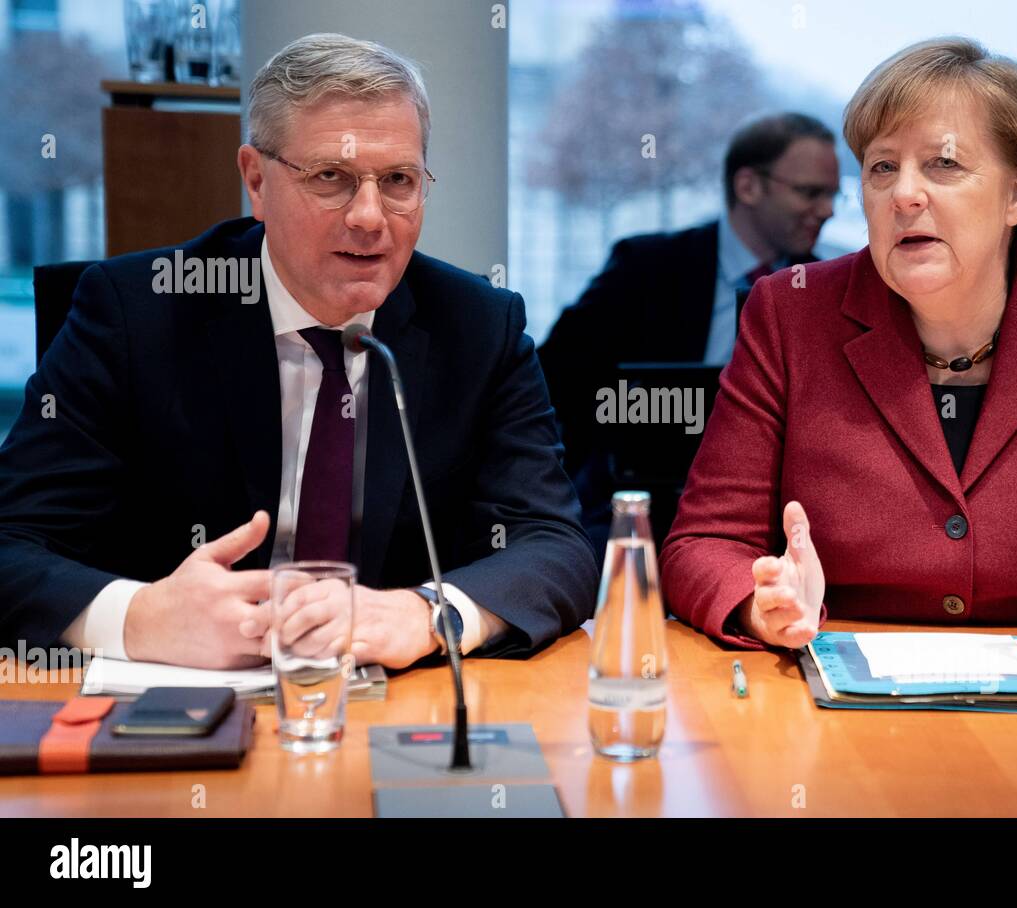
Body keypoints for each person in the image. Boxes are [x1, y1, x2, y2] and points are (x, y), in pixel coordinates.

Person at [0, 33, 597, 669]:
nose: (370, 216)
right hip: (173, 710)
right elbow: (12, 543)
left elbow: (555, 544)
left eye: (397, 180)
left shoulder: (479, 327)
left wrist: (429, 612)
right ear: (256, 180)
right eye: (332, 178)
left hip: (388, 712)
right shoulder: (135, 314)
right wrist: (139, 617)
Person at [660, 38, 1017, 658]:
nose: (903, 194)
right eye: (882, 168)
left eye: (944, 165)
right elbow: (703, 544)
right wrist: (761, 603)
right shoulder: (790, 312)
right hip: (838, 692)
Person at [539, 112, 840, 550]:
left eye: (832, 194)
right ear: (748, 186)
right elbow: (554, 382)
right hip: (643, 512)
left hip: (787, 524)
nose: (827, 210)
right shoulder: (647, 267)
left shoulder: (826, 285)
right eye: (810, 192)